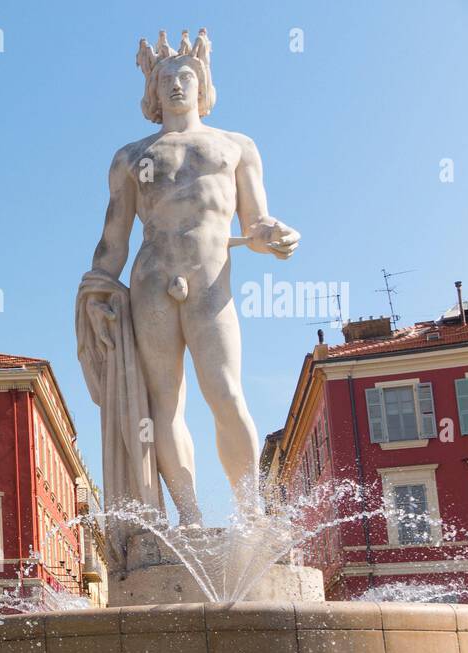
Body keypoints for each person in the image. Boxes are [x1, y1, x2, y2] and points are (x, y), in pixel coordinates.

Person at [78, 29, 299, 528]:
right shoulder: (130, 157)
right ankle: (192, 522)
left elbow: (255, 223)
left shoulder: (235, 147)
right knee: (163, 407)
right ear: (152, 91)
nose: (176, 85)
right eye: (165, 79)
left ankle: (252, 515)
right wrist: (96, 289)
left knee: (225, 393)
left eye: (185, 76)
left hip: (210, 281)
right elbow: (113, 241)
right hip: (152, 282)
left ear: (202, 84)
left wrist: (273, 234)